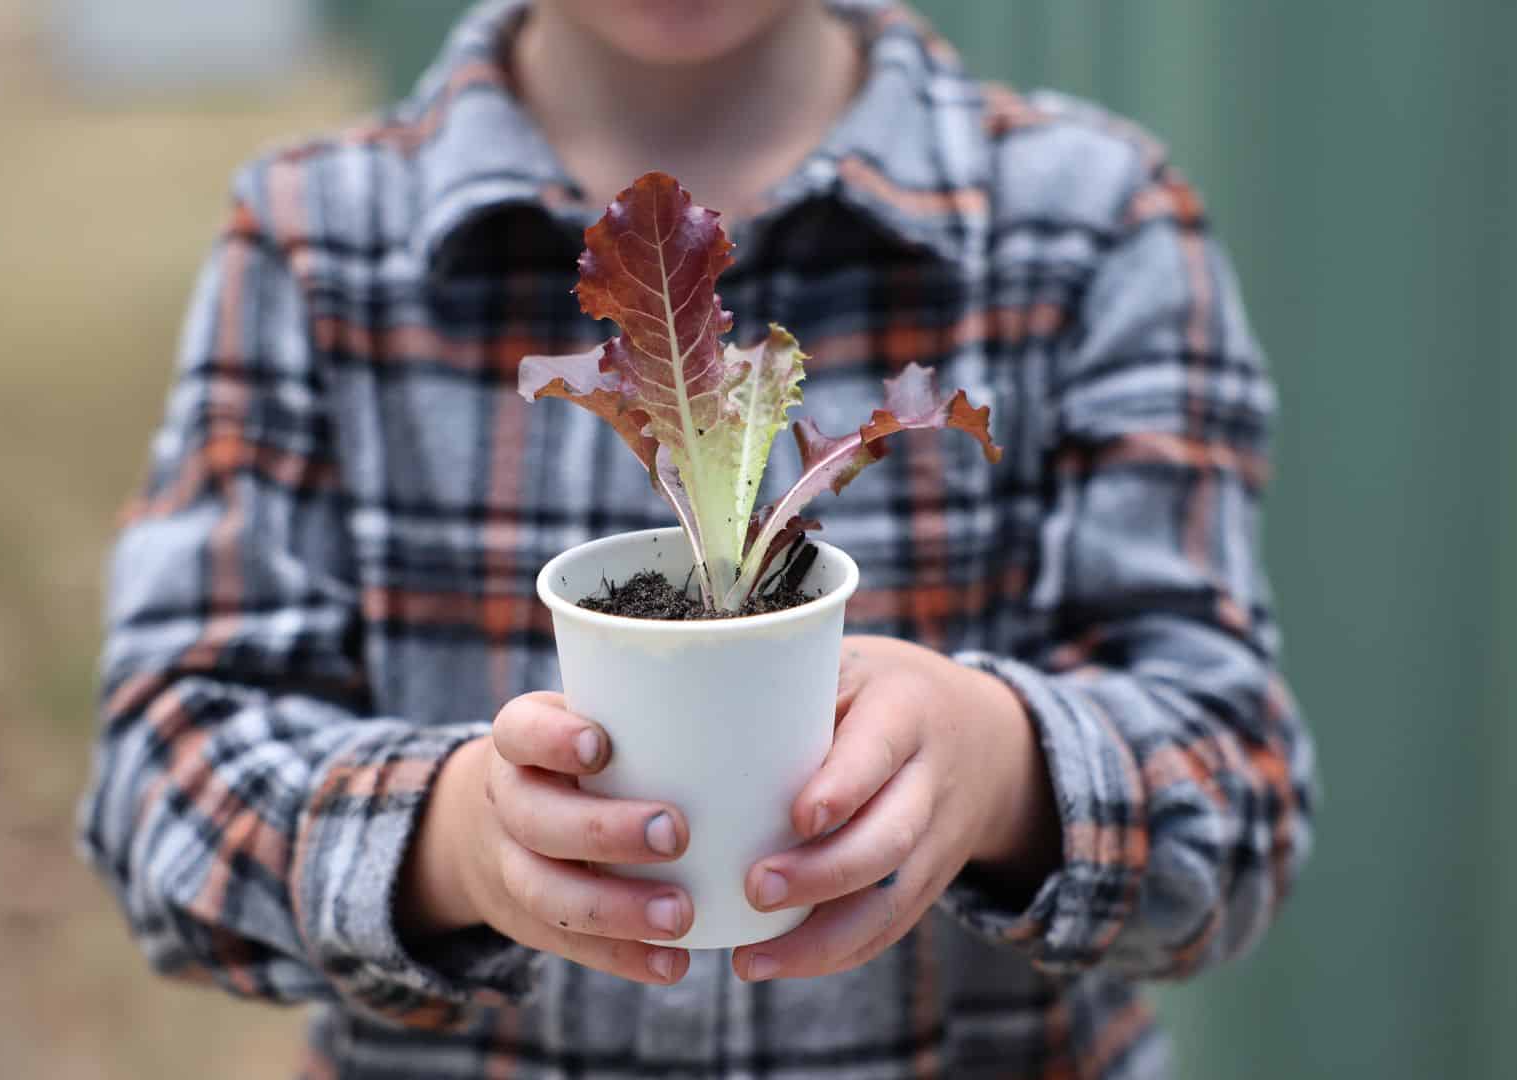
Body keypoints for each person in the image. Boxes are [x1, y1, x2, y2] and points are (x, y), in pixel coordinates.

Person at [79, 1, 1316, 1075]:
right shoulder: (312, 238)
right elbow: (164, 788)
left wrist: (1002, 768)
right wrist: (454, 841)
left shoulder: (1094, 218)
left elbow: (1239, 787)